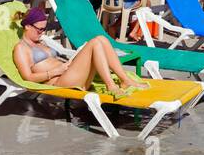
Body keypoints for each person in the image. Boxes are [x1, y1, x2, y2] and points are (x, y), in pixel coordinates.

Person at [11, 7, 144, 98]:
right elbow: (27, 77)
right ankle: (111, 85)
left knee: (101, 39)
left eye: (44, 29)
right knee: (95, 43)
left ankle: (125, 80)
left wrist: (67, 63)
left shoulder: (41, 42)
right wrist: (55, 72)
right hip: (60, 82)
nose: (42, 33)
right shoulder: (21, 49)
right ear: (27, 26)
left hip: (70, 73)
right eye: (40, 29)